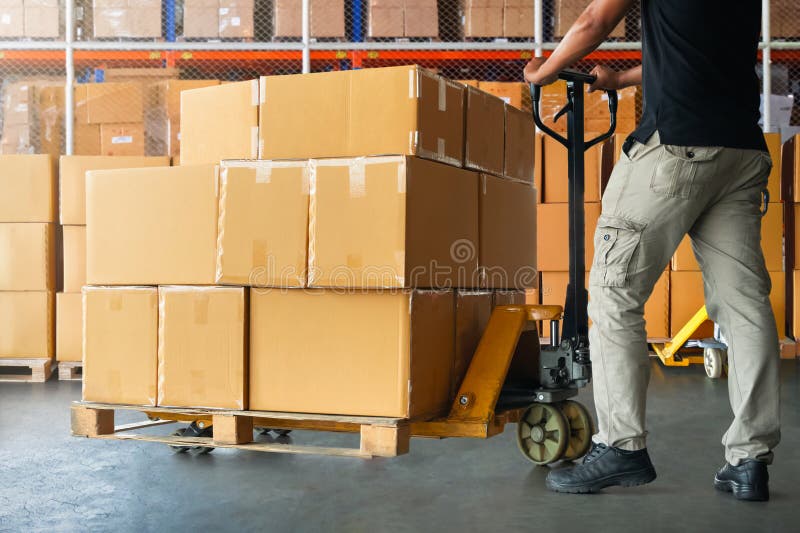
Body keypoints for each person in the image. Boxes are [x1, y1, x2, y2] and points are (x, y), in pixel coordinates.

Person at [524, 0, 780, 501]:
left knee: (613, 294)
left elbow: (594, 21)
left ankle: (621, 445)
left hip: (677, 148)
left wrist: (544, 71)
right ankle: (750, 460)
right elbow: (705, 53)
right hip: (740, 152)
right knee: (746, 309)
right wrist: (622, 80)